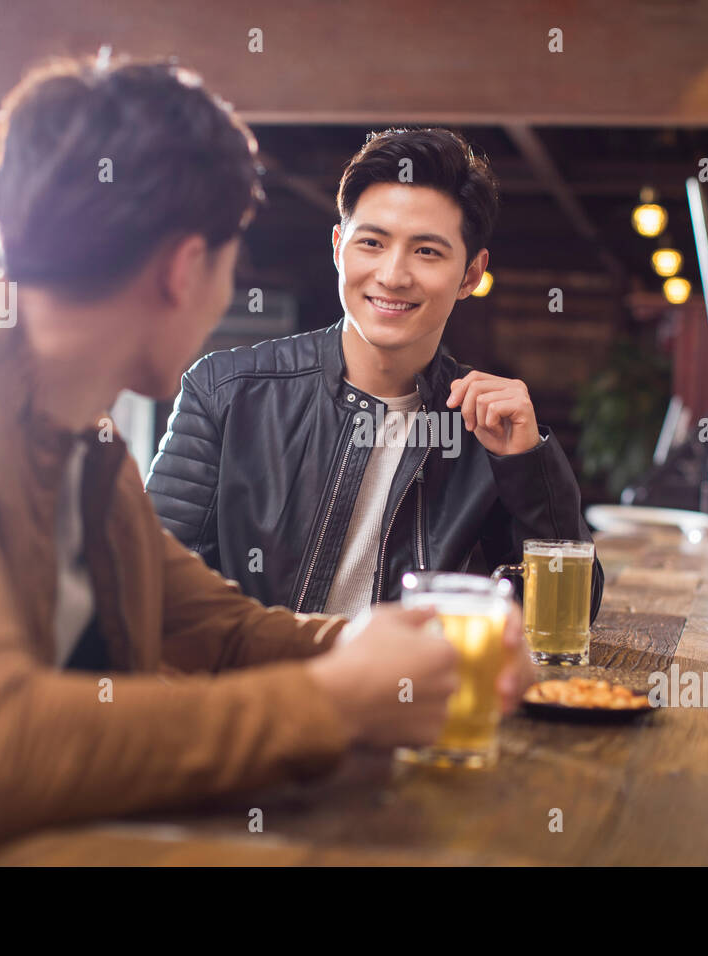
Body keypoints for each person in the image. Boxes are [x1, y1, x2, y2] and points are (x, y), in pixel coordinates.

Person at [0, 55, 533, 866]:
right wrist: (335, 699)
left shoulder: (79, 436)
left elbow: (217, 627)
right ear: (184, 268)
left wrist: (392, 652)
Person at [146, 127, 605, 619]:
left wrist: (529, 466)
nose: (392, 274)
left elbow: (566, 614)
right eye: (372, 243)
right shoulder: (225, 392)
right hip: (263, 690)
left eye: (427, 251)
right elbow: (147, 582)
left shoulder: (486, 429)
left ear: (471, 274)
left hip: (415, 694)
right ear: (339, 246)